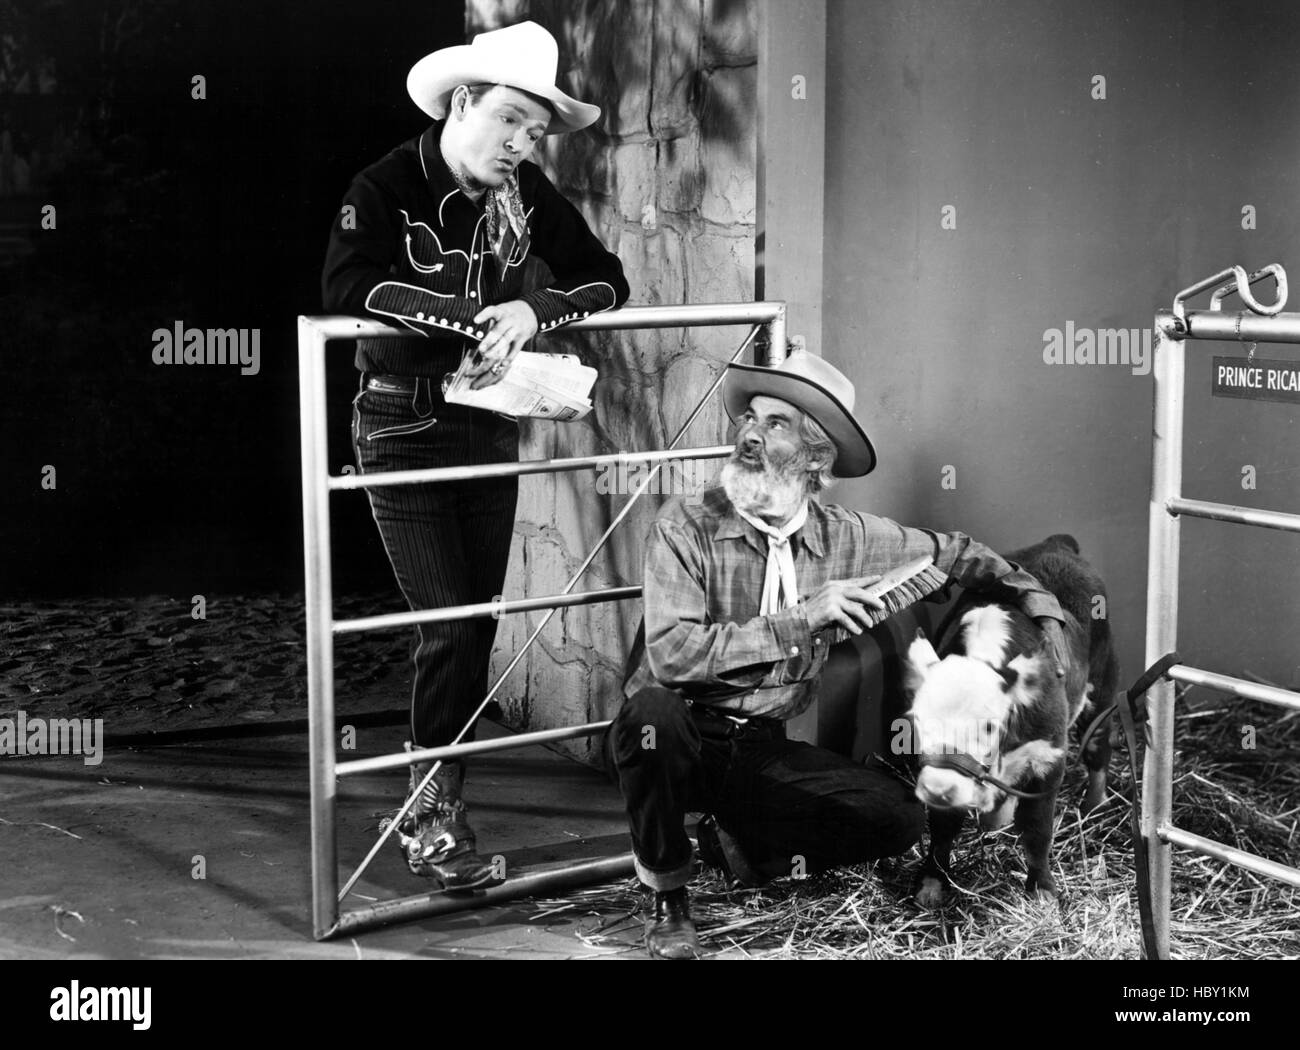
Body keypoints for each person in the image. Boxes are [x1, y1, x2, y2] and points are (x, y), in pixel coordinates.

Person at [609, 349, 1070, 958]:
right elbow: (671, 656)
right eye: (749, 417)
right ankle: (671, 901)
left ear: (815, 456)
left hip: (758, 744)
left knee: (899, 818)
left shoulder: (846, 537)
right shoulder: (684, 525)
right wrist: (803, 619)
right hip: (678, 734)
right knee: (653, 715)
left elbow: (956, 552)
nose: (749, 433)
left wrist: (1044, 608)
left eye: (775, 424)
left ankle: (741, 843)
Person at [322, 21, 630, 889]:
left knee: (478, 625)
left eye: (535, 132)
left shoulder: (526, 194)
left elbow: (610, 274)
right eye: (509, 122)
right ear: (464, 103)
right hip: (401, 423)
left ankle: (434, 795)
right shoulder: (382, 184)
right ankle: (433, 814)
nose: (522, 145)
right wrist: (468, 322)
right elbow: (349, 287)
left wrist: (539, 312)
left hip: (488, 424)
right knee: (449, 625)